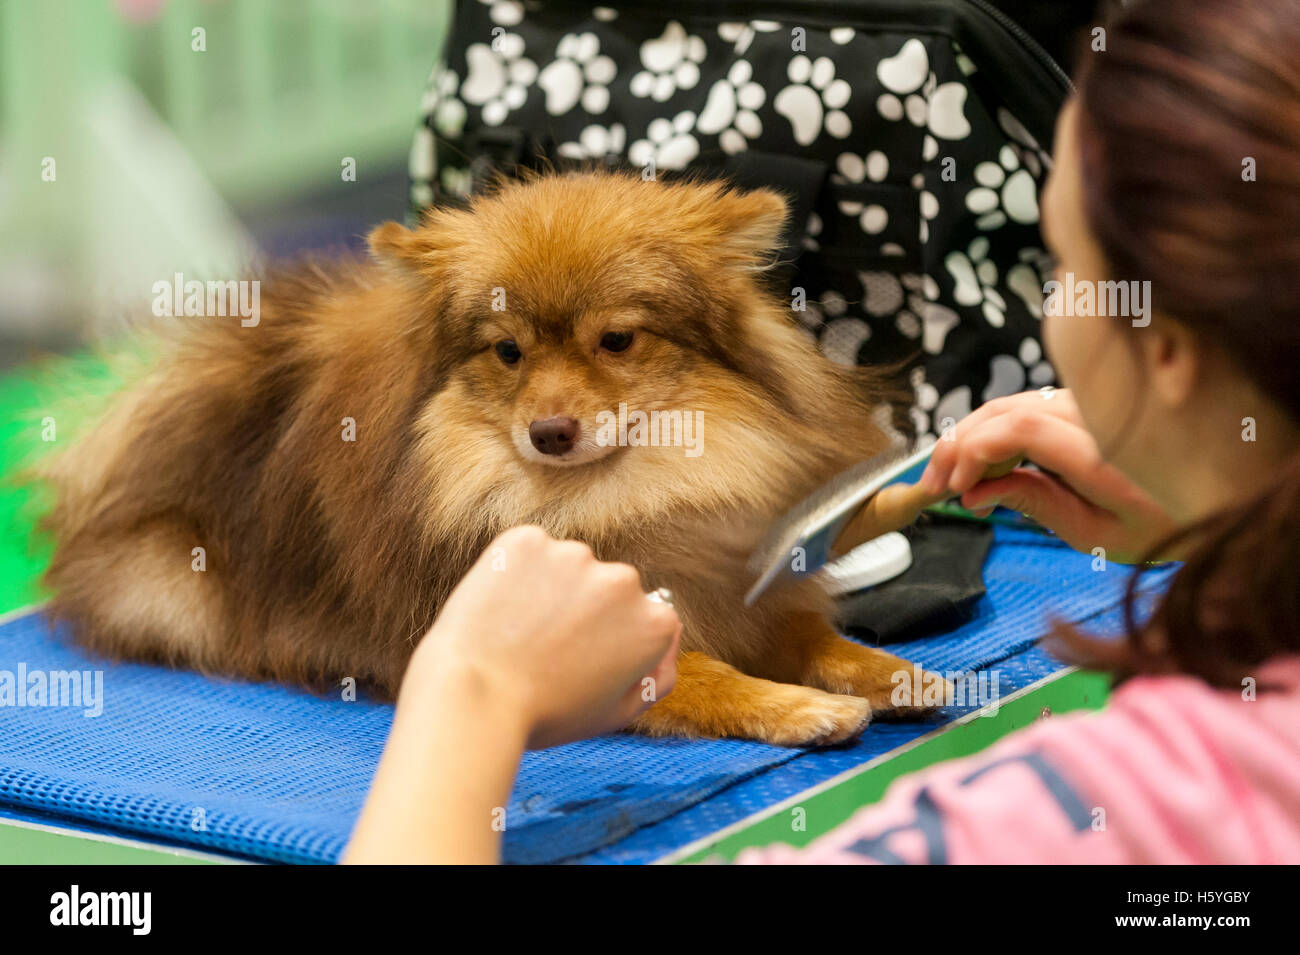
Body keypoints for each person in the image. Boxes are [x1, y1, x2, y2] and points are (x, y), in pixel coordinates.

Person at [344, 0, 1300, 864]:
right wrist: (1218, 522)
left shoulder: (1085, 815)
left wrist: (470, 689)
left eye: (1063, 267)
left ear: (1166, 347)